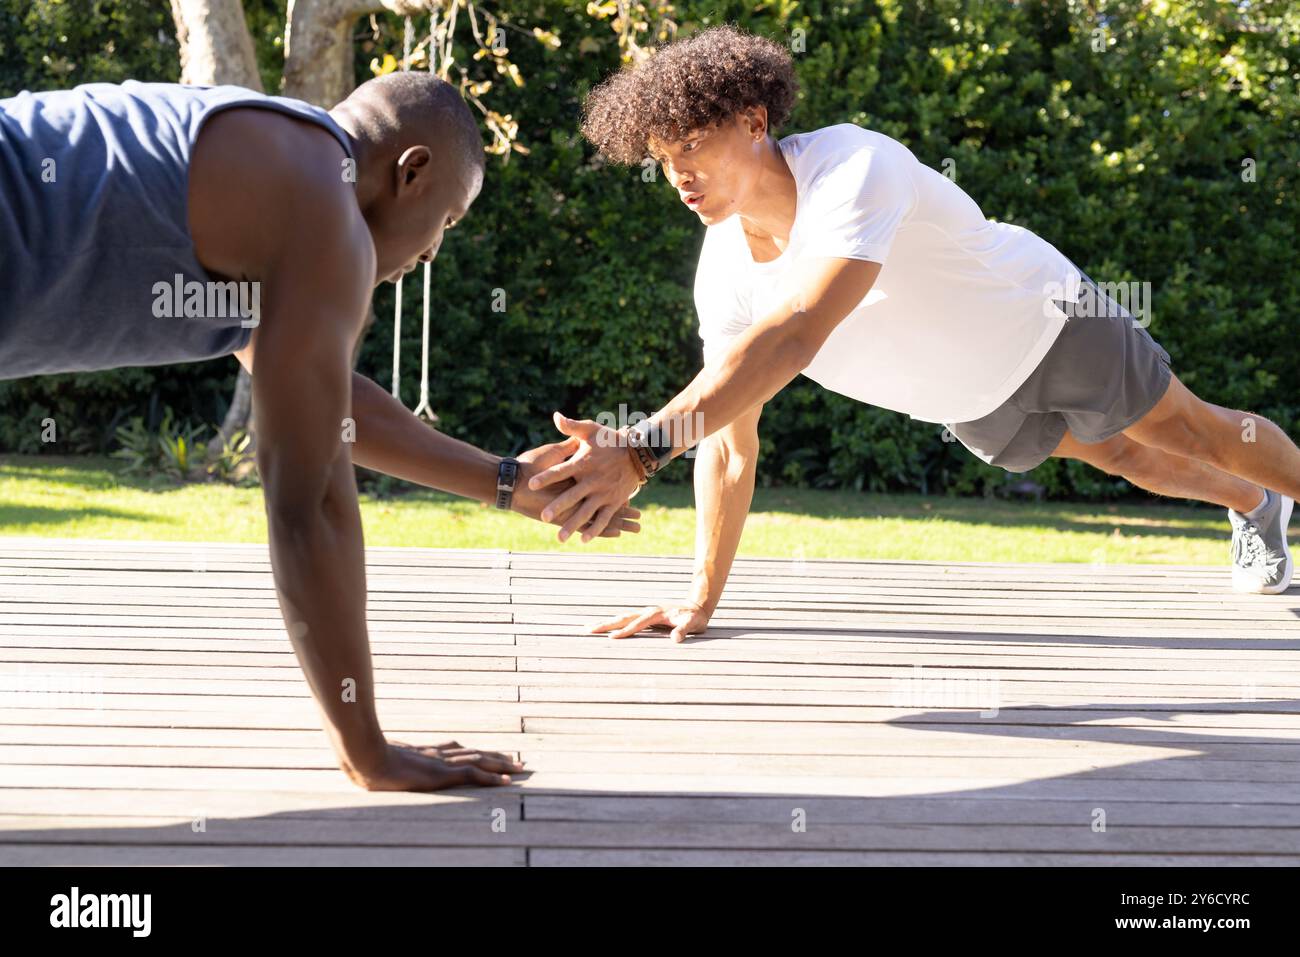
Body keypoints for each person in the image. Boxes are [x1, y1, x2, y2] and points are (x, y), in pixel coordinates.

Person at [526, 25, 1296, 645]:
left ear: (754, 121)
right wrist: (698, 599)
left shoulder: (854, 166)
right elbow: (730, 441)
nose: (678, 175)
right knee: (1126, 457)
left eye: (691, 144)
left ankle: (1266, 494)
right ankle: (1258, 506)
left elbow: (796, 334)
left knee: (1190, 429)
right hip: (968, 395)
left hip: (1050, 319)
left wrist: (641, 447)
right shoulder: (722, 271)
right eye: (663, 160)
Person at [0, 73, 640, 790]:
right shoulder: (319, 212)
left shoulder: (277, 164)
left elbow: (331, 406)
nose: (433, 254)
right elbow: (311, 507)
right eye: (450, 221)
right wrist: (369, 750)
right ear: (413, 170)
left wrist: (505, 480)